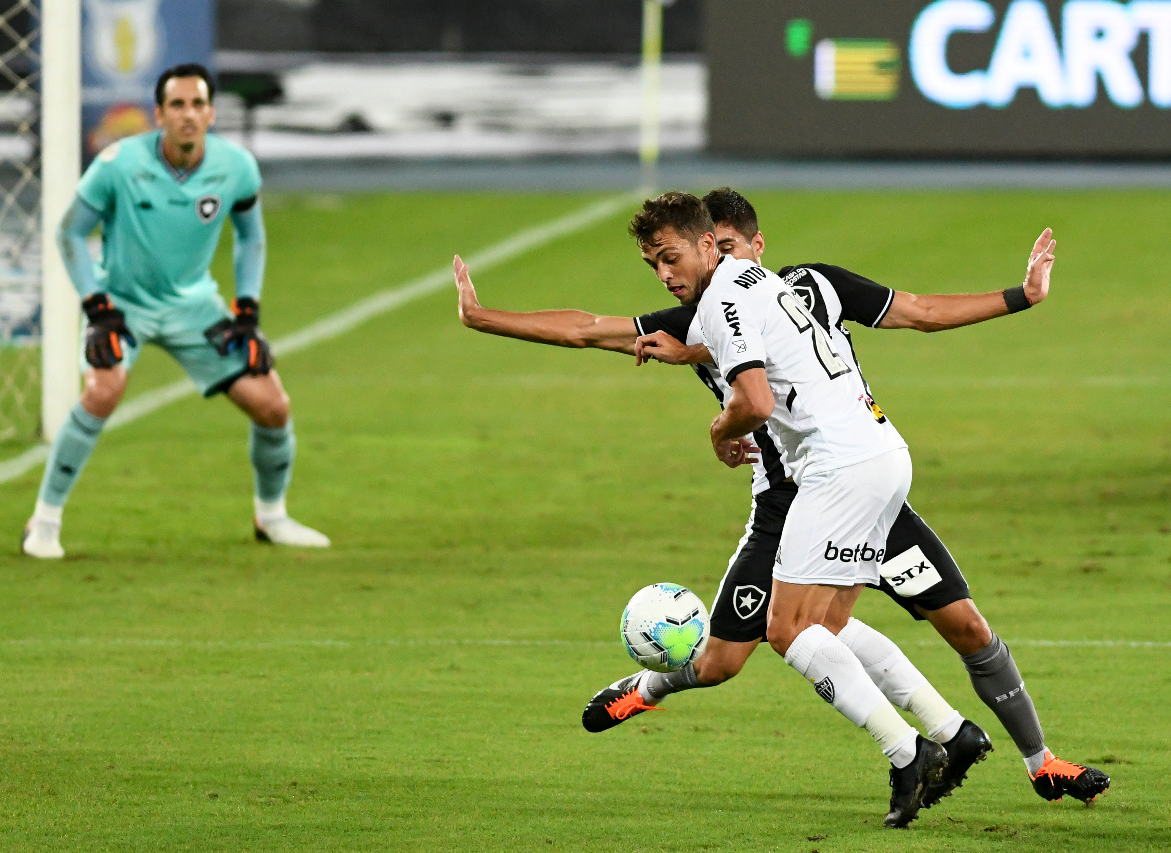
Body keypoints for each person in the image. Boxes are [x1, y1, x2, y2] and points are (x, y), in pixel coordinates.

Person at [453, 190, 1106, 811]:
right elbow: (587, 329)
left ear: (749, 245)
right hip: (800, 494)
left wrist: (1021, 295)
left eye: (722, 248)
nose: (677, 272)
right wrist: (485, 317)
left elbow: (917, 313)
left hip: (841, 480)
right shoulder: (708, 309)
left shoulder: (799, 289)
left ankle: (1008, 758)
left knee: (929, 627)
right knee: (733, 655)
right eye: (658, 264)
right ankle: (652, 689)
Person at [21, 63, 329, 558]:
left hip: (193, 307)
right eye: (178, 105)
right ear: (159, 115)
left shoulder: (236, 167)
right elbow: (70, 232)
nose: (189, 114)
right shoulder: (119, 164)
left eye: (198, 104)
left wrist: (247, 312)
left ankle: (271, 518)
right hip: (123, 305)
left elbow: (251, 238)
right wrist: (97, 307)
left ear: (211, 113)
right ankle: (43, 523)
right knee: (103, 391)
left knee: (273, 406)